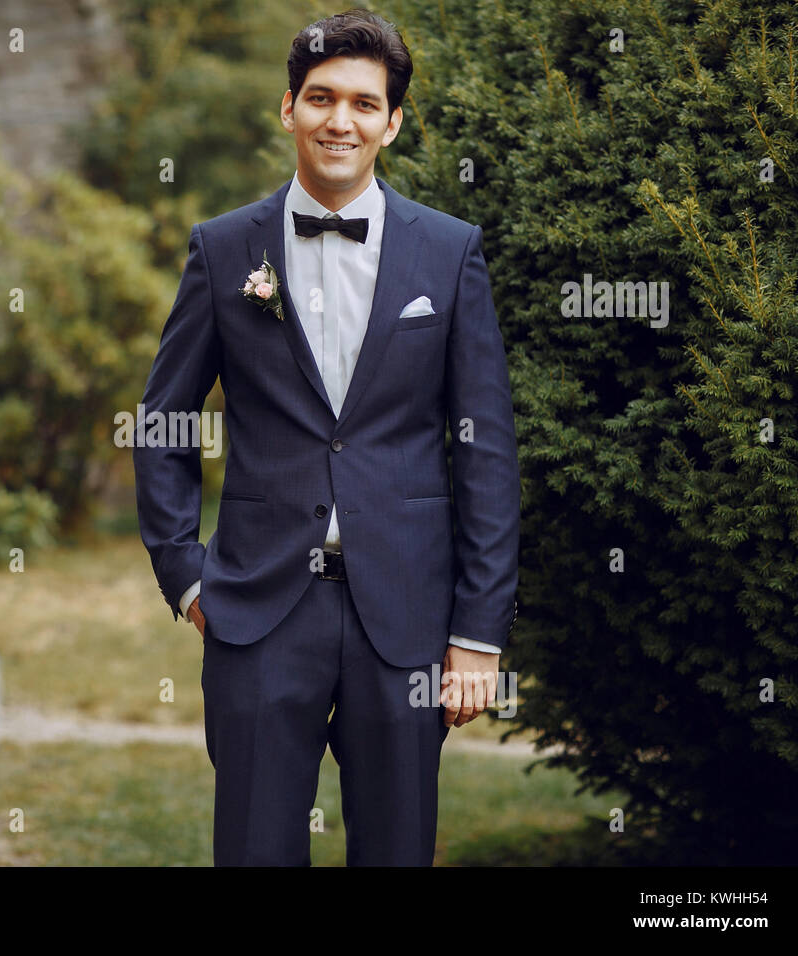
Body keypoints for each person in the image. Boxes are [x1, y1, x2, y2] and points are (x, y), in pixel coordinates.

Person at [133, 8, 519, 866]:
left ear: (393, 121)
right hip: (259, 609)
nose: (339, 120)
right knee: (255, 849)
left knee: (395, 850)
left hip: (408, 617)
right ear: (288, 109)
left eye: (361, 102)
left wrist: (477, 632)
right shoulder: (225, 247)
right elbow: (162, 420)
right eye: (320, 98)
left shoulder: (450, 254)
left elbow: (485, 448)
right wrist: (186, 576)